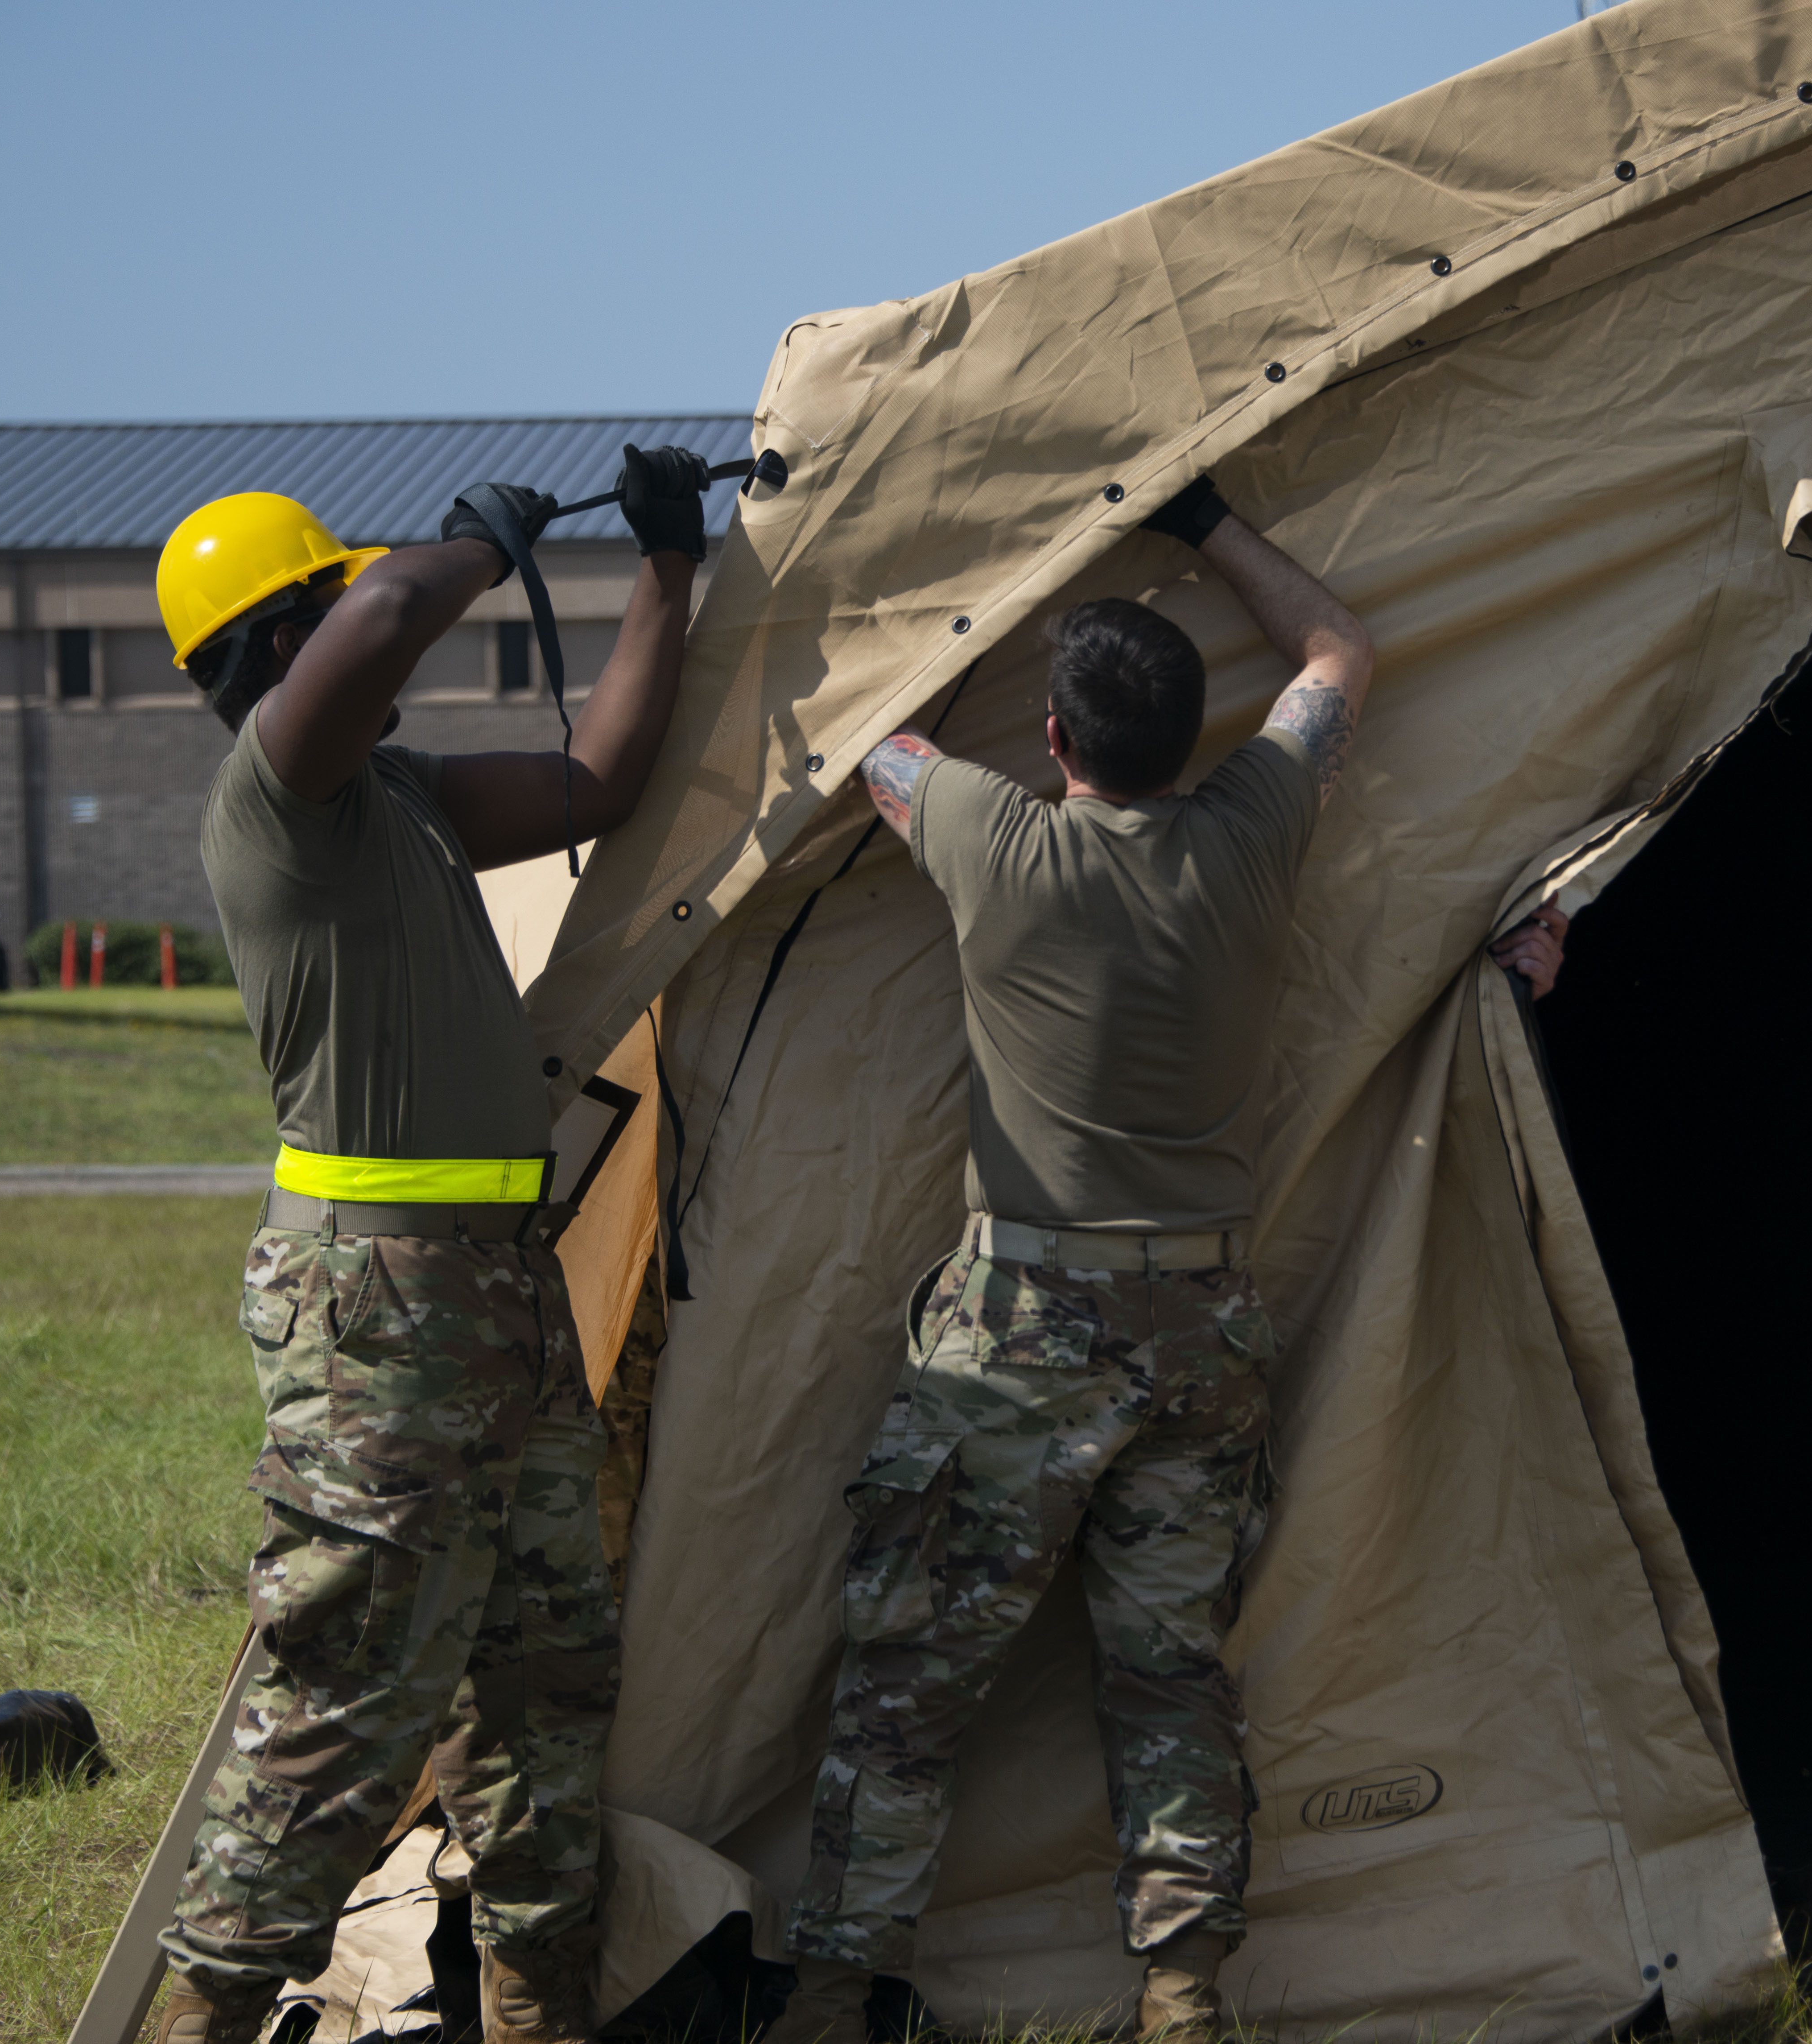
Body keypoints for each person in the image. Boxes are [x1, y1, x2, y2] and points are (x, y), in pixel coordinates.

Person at [770, 475, 1373, 2044]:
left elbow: (858, 729)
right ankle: (1183, 2000)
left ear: (1054, 741)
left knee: (910, 1684)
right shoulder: (1255, 830)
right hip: (1205, 1326)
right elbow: (1334, 656)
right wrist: (1216, 522)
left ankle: (836, 1996)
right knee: (1172, 1682)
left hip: (1022, 1329)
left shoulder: (991, 841)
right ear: (1193, 741)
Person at [146, 447, 716, 2044]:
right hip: (376, 1307)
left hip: (493, 1290)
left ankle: (536, 2008)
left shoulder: (398, 800)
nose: (364, 625)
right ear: (278, 647)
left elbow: (599, 777)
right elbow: (397, 600)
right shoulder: (282, 793)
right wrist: (477, 540)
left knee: (540, 1680)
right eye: (321, 612)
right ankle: (203, 2015)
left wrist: (670, 570)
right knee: (347, 1710)